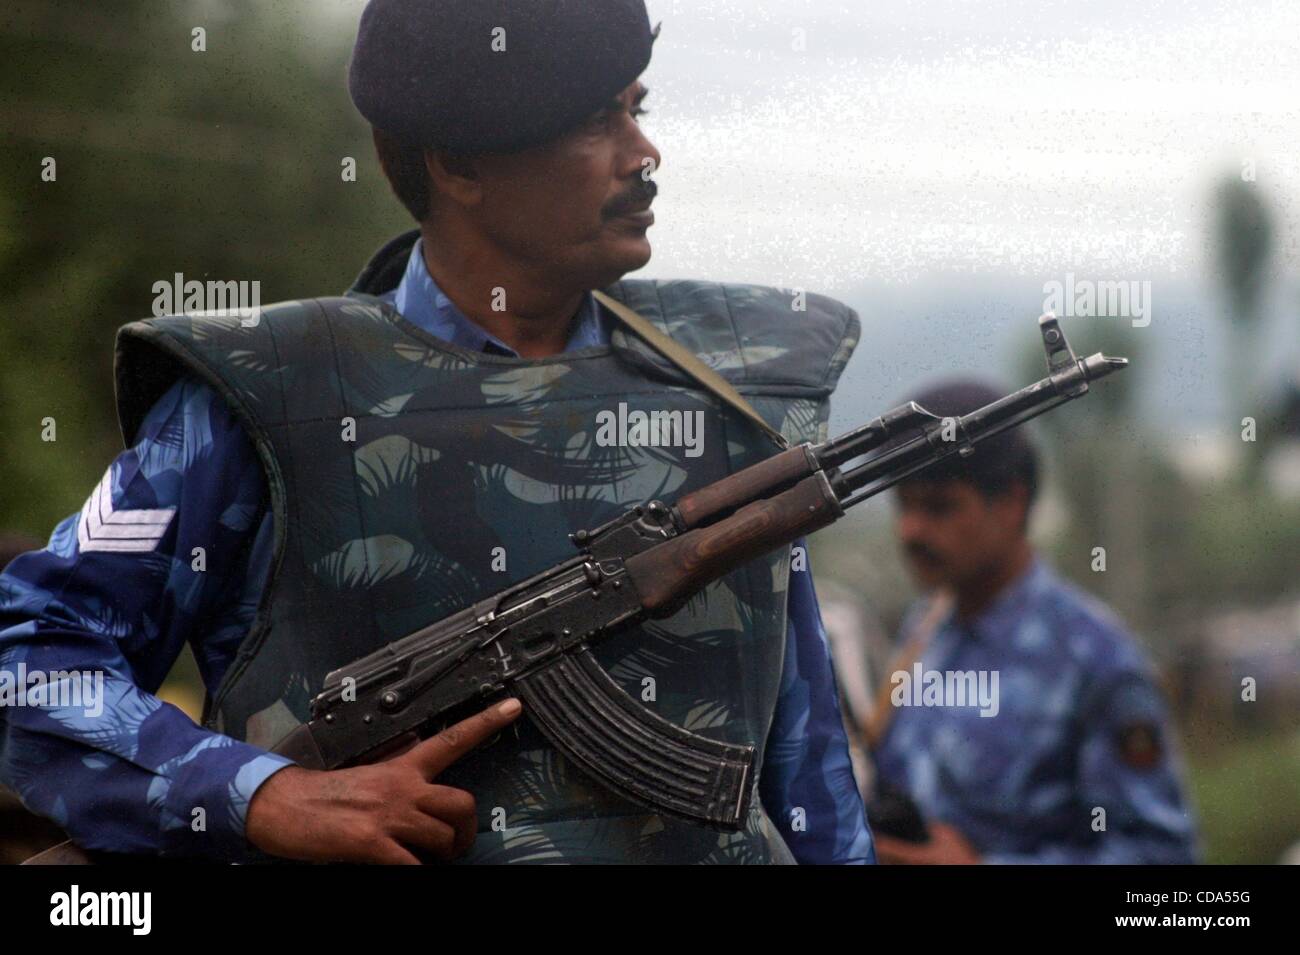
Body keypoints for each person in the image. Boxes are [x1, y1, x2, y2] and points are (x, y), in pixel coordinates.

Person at [0, 0, 872, 864]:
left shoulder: (730, 386)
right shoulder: (264, 397)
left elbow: (803, 759)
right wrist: (258, 793)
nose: (644, 156)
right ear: (457, 164)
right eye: (595, 122)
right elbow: (35, 657)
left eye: (636, 111)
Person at [869, 379, 1198, 864]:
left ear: (1011, 503)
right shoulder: (926, 627)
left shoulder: (1096, 659)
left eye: (939, 506)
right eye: (903, 505)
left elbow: (1162, 857)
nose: (910, 530)